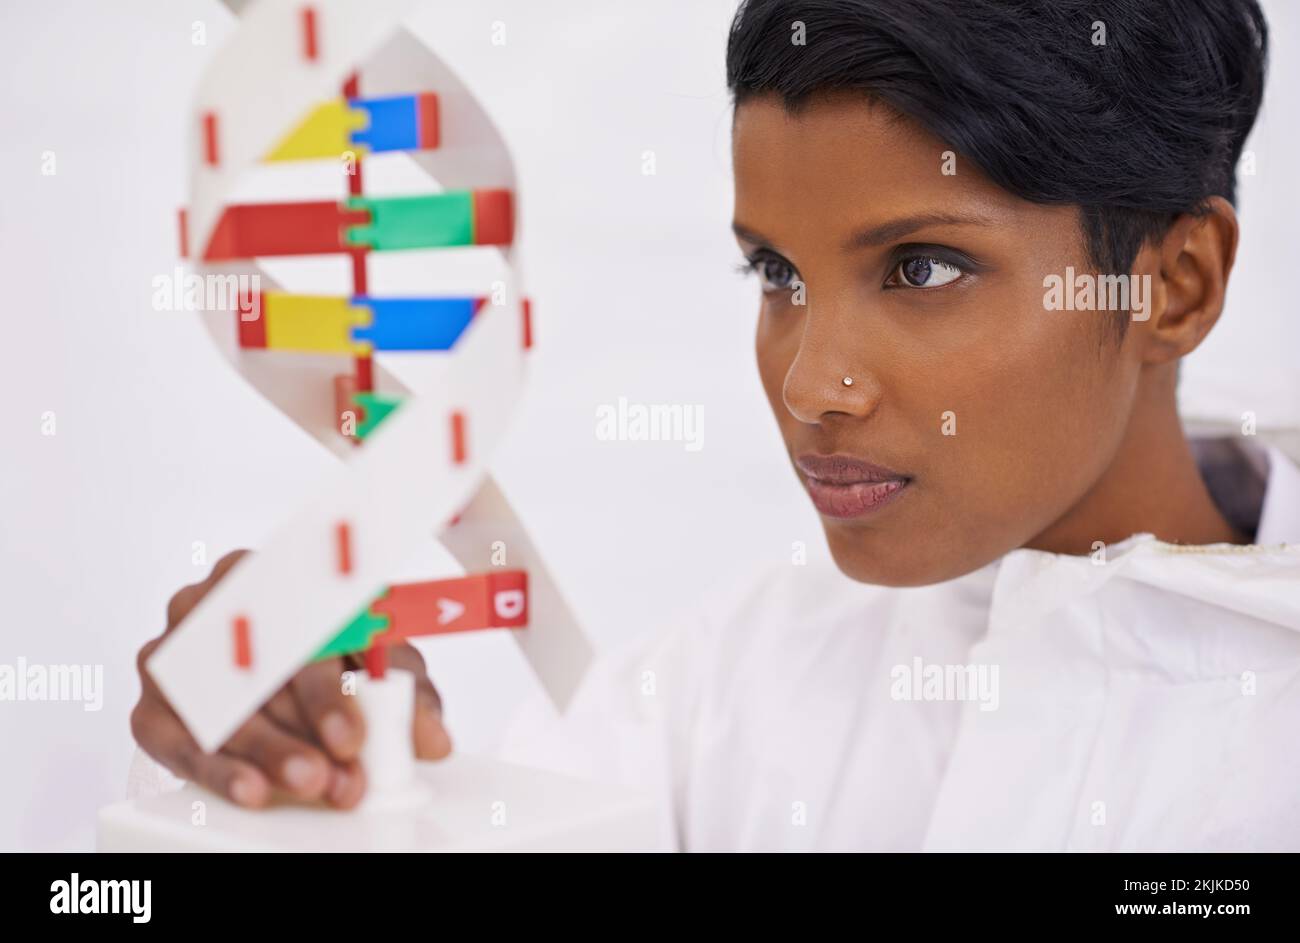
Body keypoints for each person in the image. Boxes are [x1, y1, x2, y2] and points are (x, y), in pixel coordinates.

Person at [130, 0, 1300, 849]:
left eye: (922, 267)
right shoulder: (723, 689)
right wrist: (323, 776)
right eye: (776, 273)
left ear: (1174, 285)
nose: (809, 384)